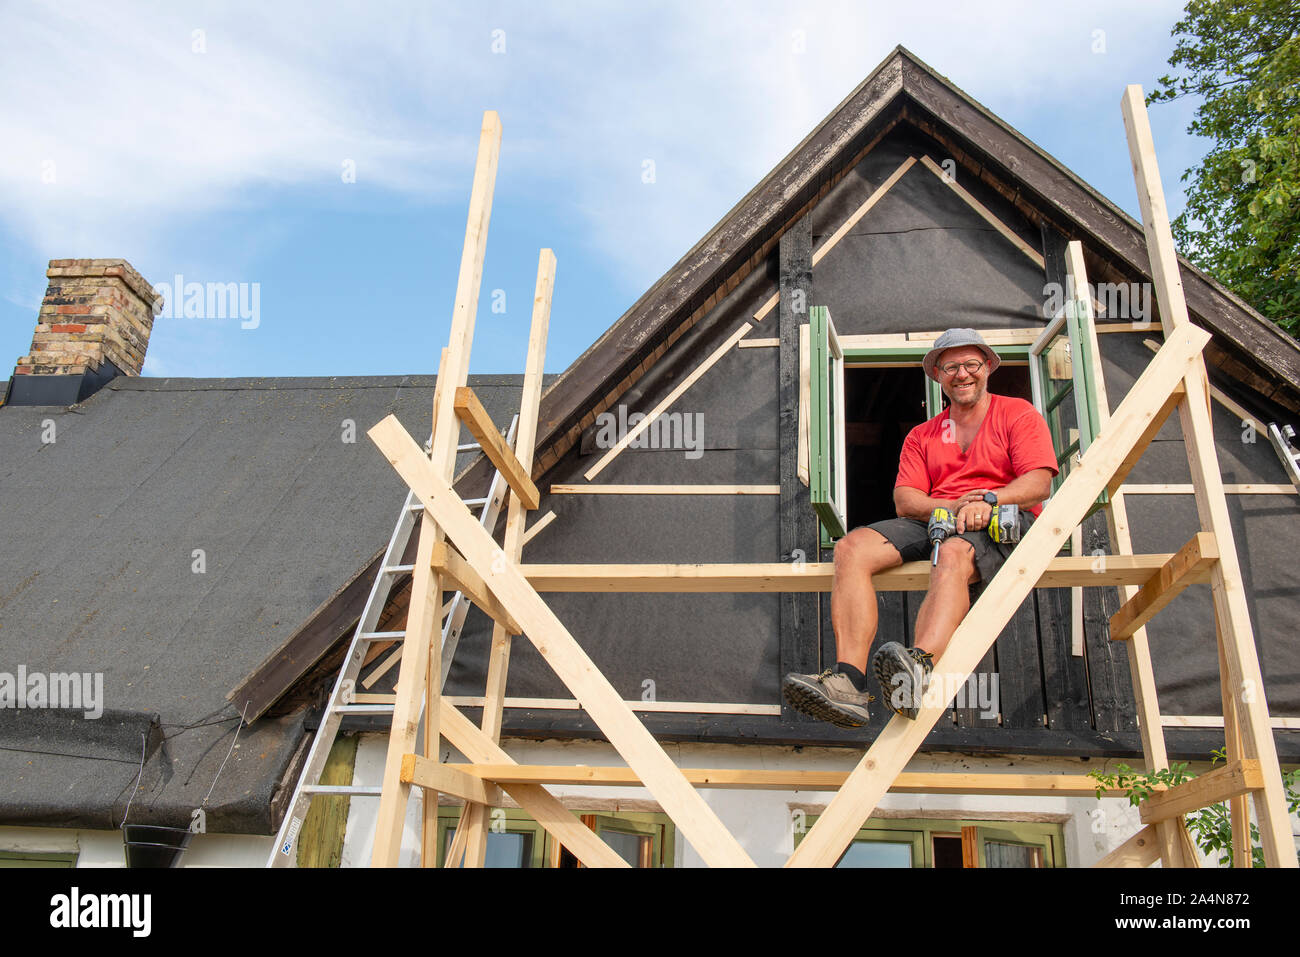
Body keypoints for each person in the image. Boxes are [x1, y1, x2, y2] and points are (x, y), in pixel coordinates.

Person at [783, 328, 1058, 727]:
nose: (962, 374)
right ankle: (849, 684)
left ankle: (917, 669)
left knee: (952, 553)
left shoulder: (1017, 413)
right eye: (951, 367)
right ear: (938, 376)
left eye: (971, 365)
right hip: (940, 519)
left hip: (1001, 523)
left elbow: (1038, 483)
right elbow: (906, 500)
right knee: (850, 549)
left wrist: (990, 500)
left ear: (988, 369)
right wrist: (952, 504)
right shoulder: (922, 435)